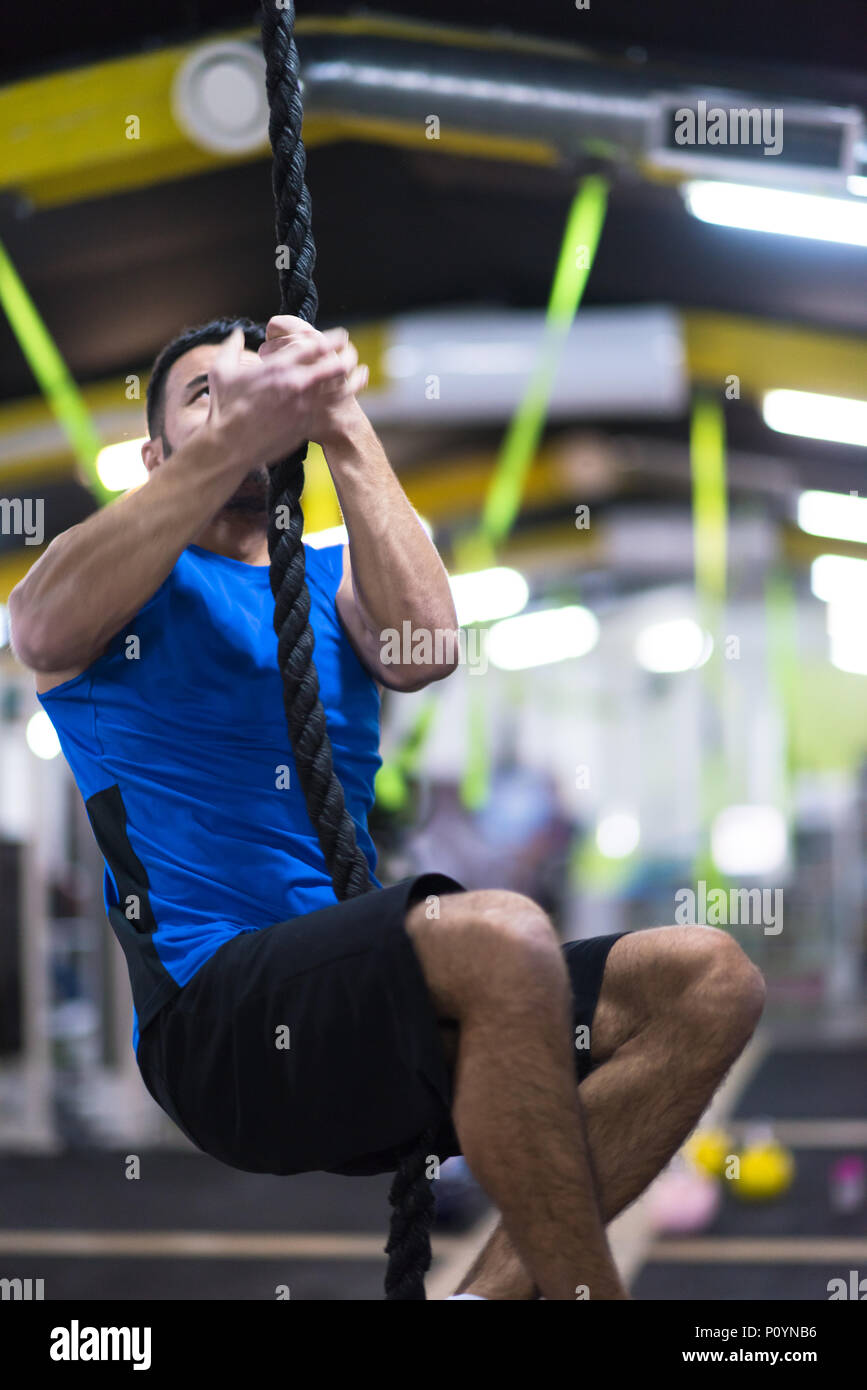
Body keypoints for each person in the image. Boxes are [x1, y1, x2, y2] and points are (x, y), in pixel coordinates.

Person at [9, 314, 765, 1299]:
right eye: (205, 394)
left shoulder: (330, 579)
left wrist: (343, 422)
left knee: (709, 980)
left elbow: (425, 650)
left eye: (255, 386)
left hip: (355, 1017)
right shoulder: (115, 582)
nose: (238, 401)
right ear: (153, 453)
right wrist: (242, 427)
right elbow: (36, 624)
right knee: (498, 934)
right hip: (221, 1033)